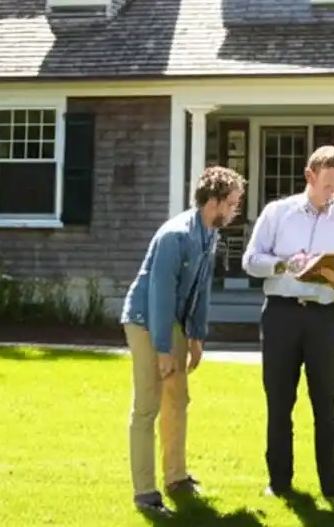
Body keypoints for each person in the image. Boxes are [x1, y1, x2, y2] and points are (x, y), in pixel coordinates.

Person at [242, 145, 334, 499]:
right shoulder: (277, 213)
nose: (333, 193)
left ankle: (333, 486)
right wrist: (283, 265)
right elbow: (250, 260)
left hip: (324, 319)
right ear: (309, 177)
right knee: (279, 402)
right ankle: (279, 483)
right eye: (327, 185)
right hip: (281, 315)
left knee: (326, 403)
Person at [120, 165, 246, 515]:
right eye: (232, 203)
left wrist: (196, 337)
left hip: (171, 321)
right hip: (145, 320)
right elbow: (160, 295)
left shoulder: (209, 234)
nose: (235, 211)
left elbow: (200, 290)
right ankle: (145, 494)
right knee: (148, 405)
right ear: (213, 202)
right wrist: (163, 350)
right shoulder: (175, 236)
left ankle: (176, 477)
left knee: (177, 398)